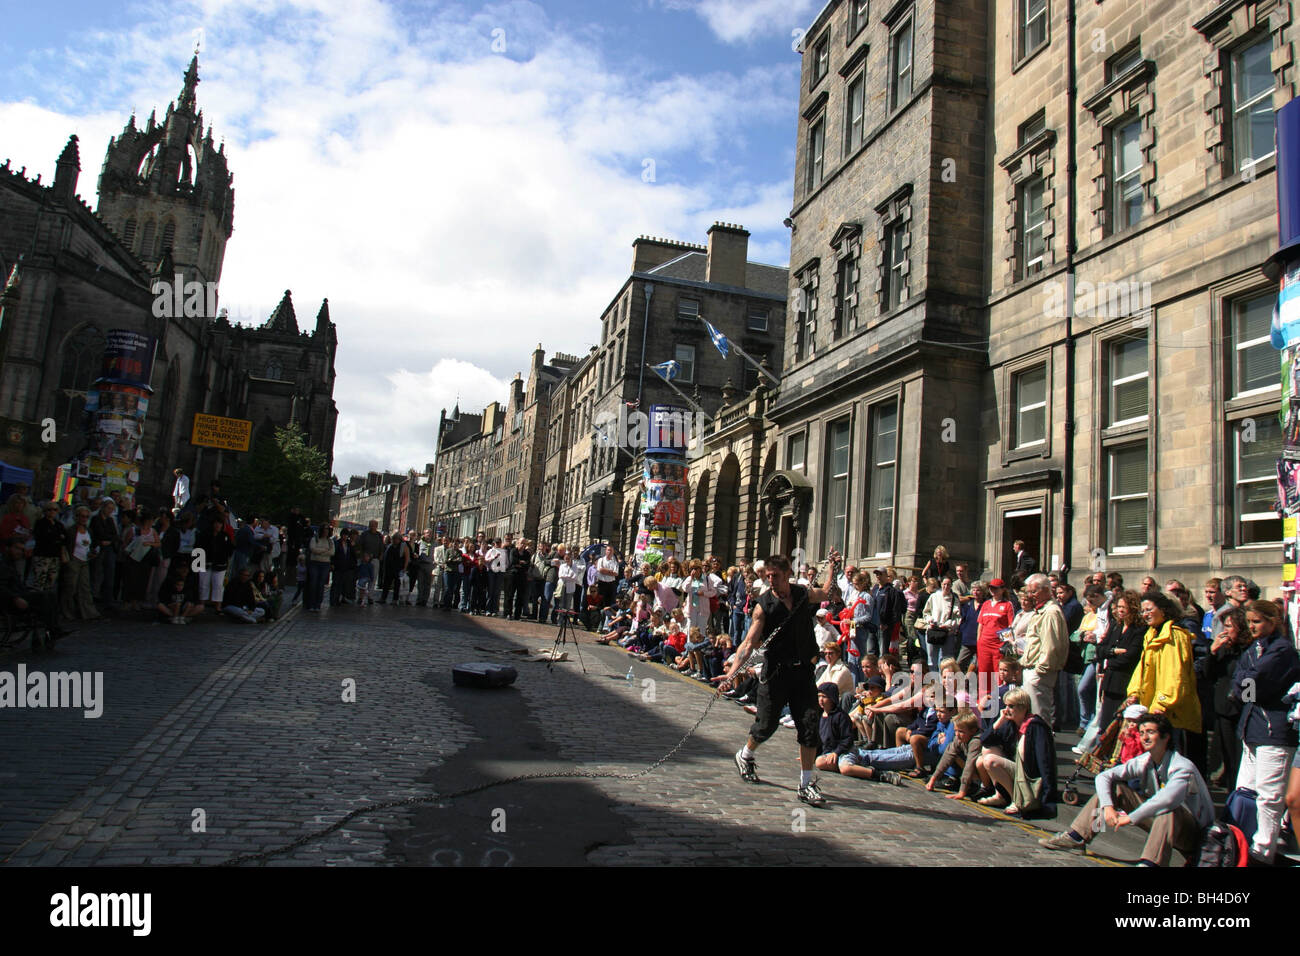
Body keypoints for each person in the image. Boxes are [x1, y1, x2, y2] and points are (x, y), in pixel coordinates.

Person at [720, 551, 842, 807]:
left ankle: (806, 784)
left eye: (775, 575)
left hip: (803, 673)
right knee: (766, 725)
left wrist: (832, 567)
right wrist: (731, 673)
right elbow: (749, 643)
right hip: (776, 673)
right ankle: (745, 754)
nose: (771, 580)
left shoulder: (801, 594)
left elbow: (829, 594)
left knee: (809, 726)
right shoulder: (763, 606)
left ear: (787, 574)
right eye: (768, 576)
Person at [1039, 714, 1213, 866]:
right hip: (1163, 822)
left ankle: (1151, 863)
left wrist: (1130, 818)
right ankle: (1079, 836)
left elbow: (1167, 800)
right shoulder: (1146, 760)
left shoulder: (1182, 767)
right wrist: (1107, 807)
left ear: (1166, 737)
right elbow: (1104, 777)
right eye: (1142, 733)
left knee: (1168, 809)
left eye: (1150, 732)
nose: (1144, 737)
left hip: (1194, 834)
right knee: (1115, 790)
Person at [1229, 598, 1300, 864]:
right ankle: (1243, 842)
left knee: (1269, 797)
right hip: (1252, 728)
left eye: (1257, 622)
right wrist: (1244, 685)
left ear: (1273, 622)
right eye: (1249, 622)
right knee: (1246, 790)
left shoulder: (1282, 651)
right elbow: (1242, 682)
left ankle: (1263, 850)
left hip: (1274, 732)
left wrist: (1244, 686)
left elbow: (1251, 685)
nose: (1252, 627)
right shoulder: (1253, 648)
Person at [1124, 590, 1201, 756]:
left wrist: (1162, 703)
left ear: (1163, 610)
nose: (1145, 614)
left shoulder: (1174, 635)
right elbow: (1143, 668)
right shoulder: (1151, 634)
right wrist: (1134, 691)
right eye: (1143, 611)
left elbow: (1175, 674)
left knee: (1171, 757)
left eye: (1149, 609)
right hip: (1153, 706)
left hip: (1171, 711)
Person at [1205, 604, 1250, 787]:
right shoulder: (1224, 649)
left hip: (1240, 710)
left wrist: (1247, 703)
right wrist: (1212, 652)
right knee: (1228, 758)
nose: (1225, 631)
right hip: (1223, 709)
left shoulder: (1248, 651)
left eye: (1230, 626)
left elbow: (1250, 681)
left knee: (1239, 759)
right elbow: (1209, 675)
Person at [1020, 573, 1068, 730]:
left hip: (1039, 672)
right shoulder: (1041, 610)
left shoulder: (1051, 612)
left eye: (1034, 592)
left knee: (1039, 717)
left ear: (1046, 590)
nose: (1031, 595)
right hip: (1031, 668)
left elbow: (1051, 644)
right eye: (1029, 592)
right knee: (1032, 717)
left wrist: (1041, 669)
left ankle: (1044, 751)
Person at [0, 537, 67, 649]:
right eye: (17, 549)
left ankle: (52, 630)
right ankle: (52, 630)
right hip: (9, 600)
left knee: (50, 595)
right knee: (45, 596)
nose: (20, 552)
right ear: (7, 548)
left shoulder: (10, 564)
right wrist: (15, 598)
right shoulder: (3, 565)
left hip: (18, 595)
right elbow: (1, 587)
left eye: (22, 549)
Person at [60, 506, 99, 622]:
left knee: (85, 587)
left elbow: (89, 545)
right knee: (70, 587)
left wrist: (92, 552)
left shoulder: (88, 530)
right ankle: (67, 612)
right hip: (73, 559)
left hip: (85, 560)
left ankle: (88, 612)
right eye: (82, 516)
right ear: (77, 517)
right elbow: (66, 545)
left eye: (87, 517)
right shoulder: (71, 531)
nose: (84, 519)